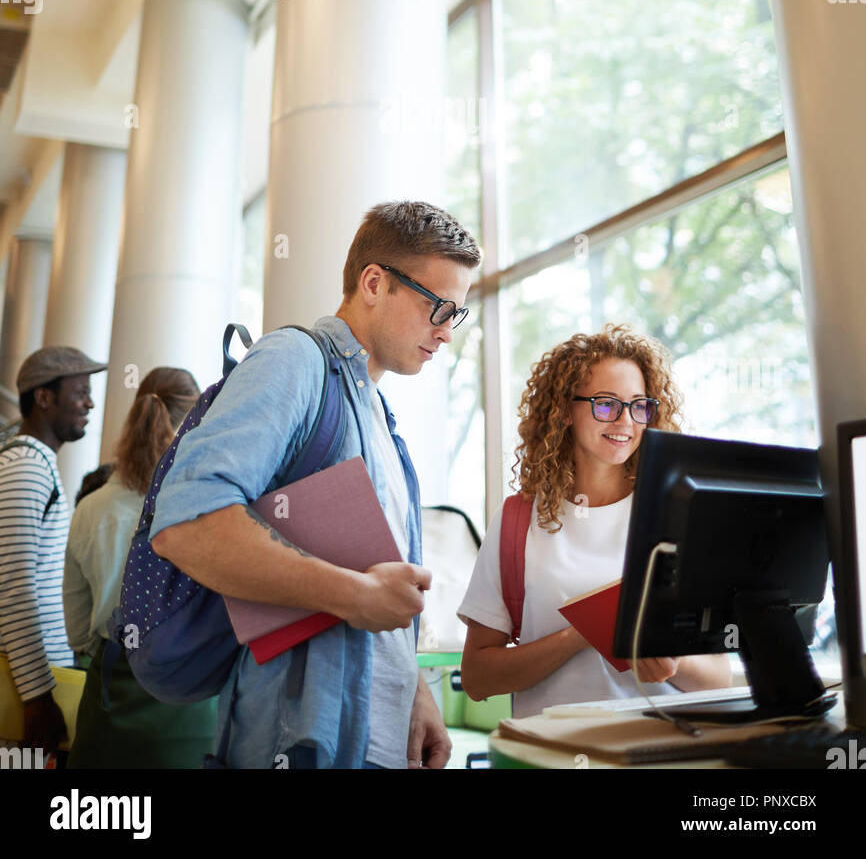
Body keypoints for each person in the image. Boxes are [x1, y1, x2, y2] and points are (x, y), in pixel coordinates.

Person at [150, 200, 482, 769]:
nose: (447, 333)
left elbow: (375, 580)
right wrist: (357, 597)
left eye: (459, 314)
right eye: (440, 308)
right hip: (296, 741)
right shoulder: (293, 360)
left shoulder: (378, 416)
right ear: (374, 282)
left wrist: (413, 692)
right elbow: (185, 525)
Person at [458, 324, 732, 715]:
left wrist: (673, 662)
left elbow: (719, 678)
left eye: (639, 405)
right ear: (565, 410)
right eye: (606, 404)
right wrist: (578, 636)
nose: (625, 422)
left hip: (653, 751)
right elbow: (478, 677)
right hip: (552, 752)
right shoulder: (518, 520)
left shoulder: (678, 517)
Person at [63, 367, 219, 768]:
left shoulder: (91, 508)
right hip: (189, 697)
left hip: (110, 694)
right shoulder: (208, 509)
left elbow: (78, 632)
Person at [0, 345, 106, 752]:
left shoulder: (36, 464)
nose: (90, 402)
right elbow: (15, 588)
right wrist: (38, 698)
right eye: (80, 391)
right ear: (44, 398)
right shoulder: (26, 469)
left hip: (35, 678)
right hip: (25, 688)